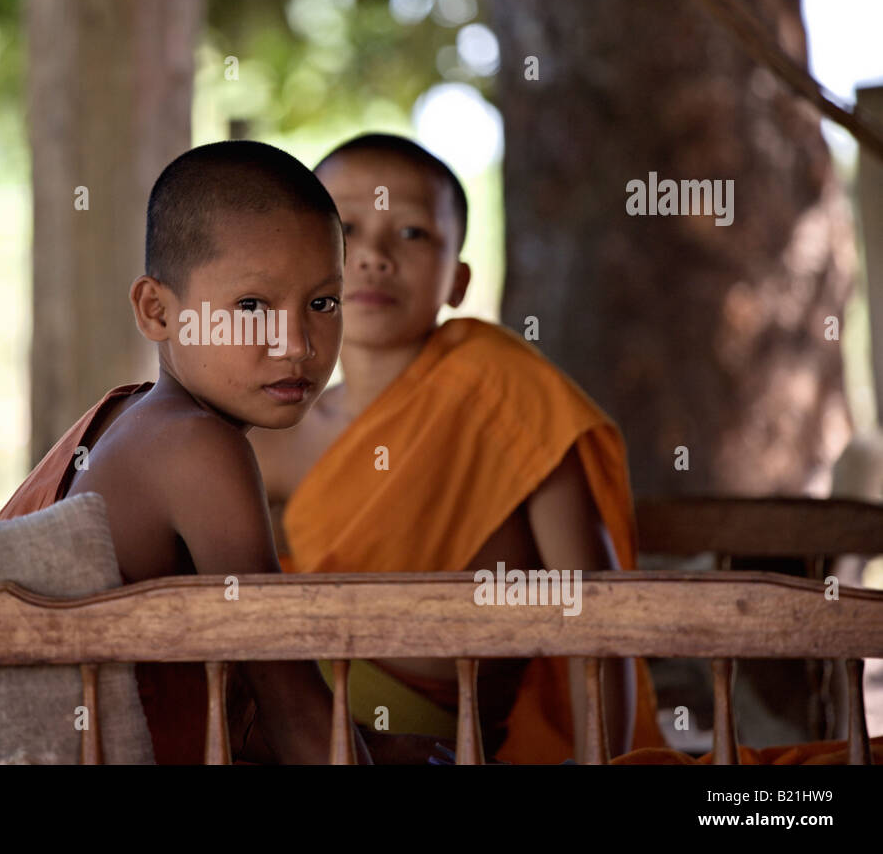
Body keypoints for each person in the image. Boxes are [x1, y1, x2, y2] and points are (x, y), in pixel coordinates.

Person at [250, 133, 667, 763]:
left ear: (459, 280)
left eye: (413, 233)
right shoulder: (278, 430)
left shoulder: (502, 388)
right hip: (286, 717)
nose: (373, 256)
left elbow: (591, 615)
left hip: (437, 742)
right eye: (346, 228)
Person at [0, 140, 375, 764]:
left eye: (323, 303)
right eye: (252, 306)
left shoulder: (132, 415)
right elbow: (292, 706)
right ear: (157, 311)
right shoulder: (196, 447)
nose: (298, 343)